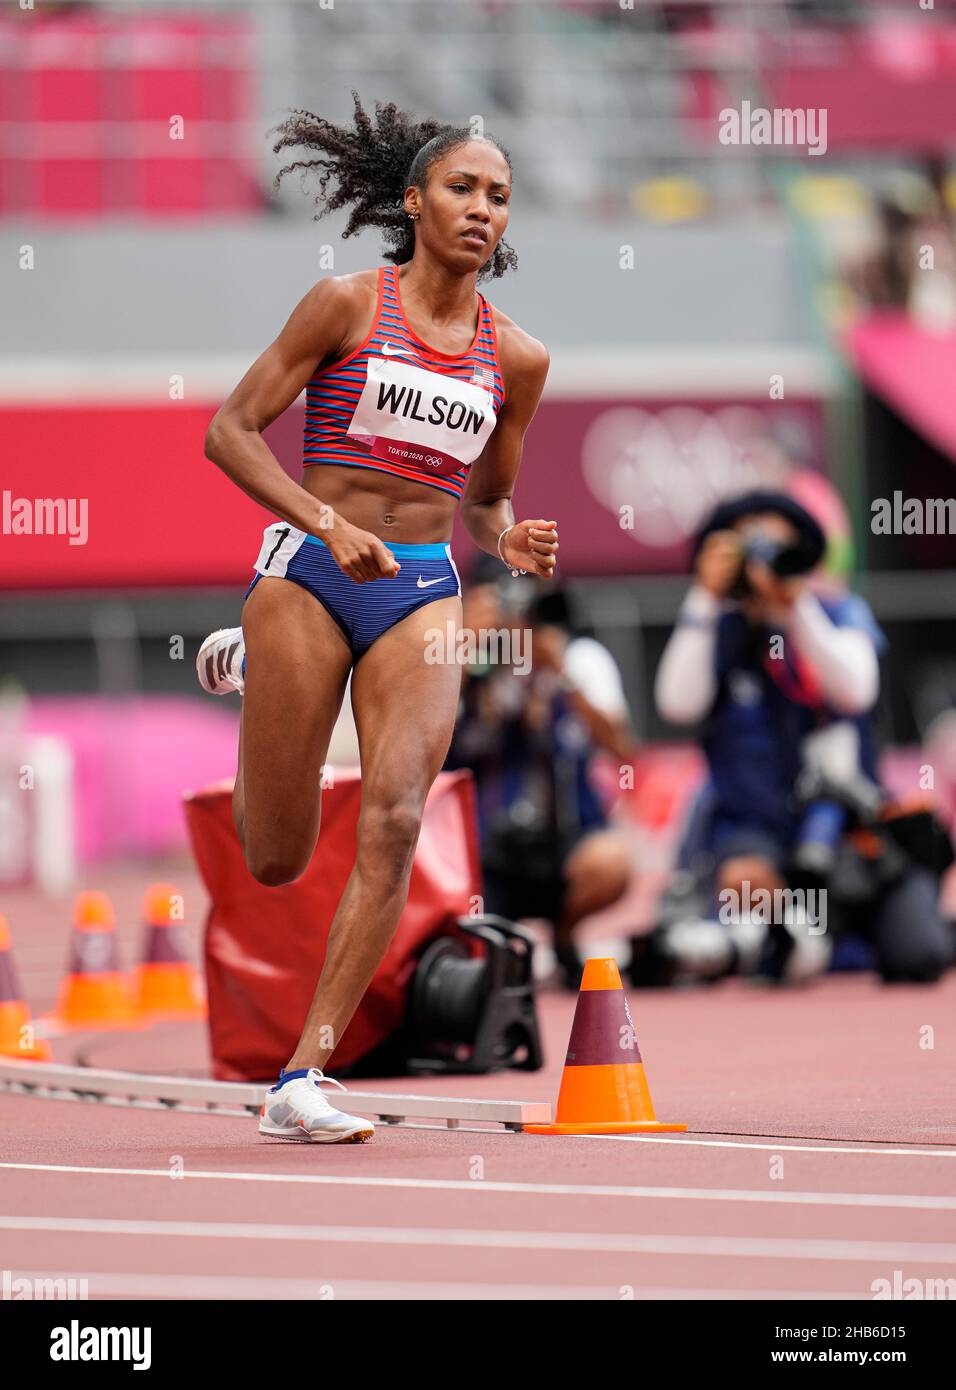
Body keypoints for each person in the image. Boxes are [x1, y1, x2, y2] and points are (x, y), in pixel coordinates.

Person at [194, 94, 558, 1142]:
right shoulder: (346, 306)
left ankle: (300, 1078)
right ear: (413, 201)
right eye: (461, 188)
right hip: (310, 568)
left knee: (396, 816)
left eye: (499, 195)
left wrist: (505, 536)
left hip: (419, 589)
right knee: (275, 857)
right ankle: (256, 662)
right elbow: (229, 431)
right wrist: (322, 518)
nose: (482, 208)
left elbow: (484, 500)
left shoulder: (517, 360)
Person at [653, 489, 952, 985]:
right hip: (756, 833)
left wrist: (796, 605)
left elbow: (856, 690)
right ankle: (789, 940)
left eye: (779, 547)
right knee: (746, 886)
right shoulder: (718, 630)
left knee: (918, 954)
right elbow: (677, 704)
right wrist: (704, 596)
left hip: (846, 831)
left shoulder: (838, 613)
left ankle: (834, 935)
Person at [445, 578, 632, 989]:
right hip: (486, 852)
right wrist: (465, 650)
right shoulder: (469, 661)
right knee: (473, 951)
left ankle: (564, 936)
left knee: (611, 861)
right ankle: (493, 945)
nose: (523, 625)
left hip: (561, 844)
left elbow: (621, 747)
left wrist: (561, 675)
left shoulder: (576, 658)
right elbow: (424, 738)